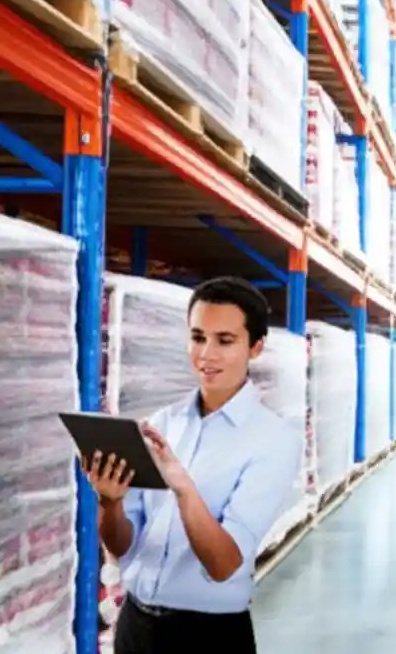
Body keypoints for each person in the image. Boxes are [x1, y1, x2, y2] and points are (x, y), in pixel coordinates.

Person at [82, 276, 303, 654]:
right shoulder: (161, 424)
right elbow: (122, 545)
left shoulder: (273, 441)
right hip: (135, 628)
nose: (206, 354)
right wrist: (109, 501)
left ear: (256, 347)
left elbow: (223, 565)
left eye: (225, 340)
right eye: (198, 337)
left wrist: (184, 489)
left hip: (208, 637)